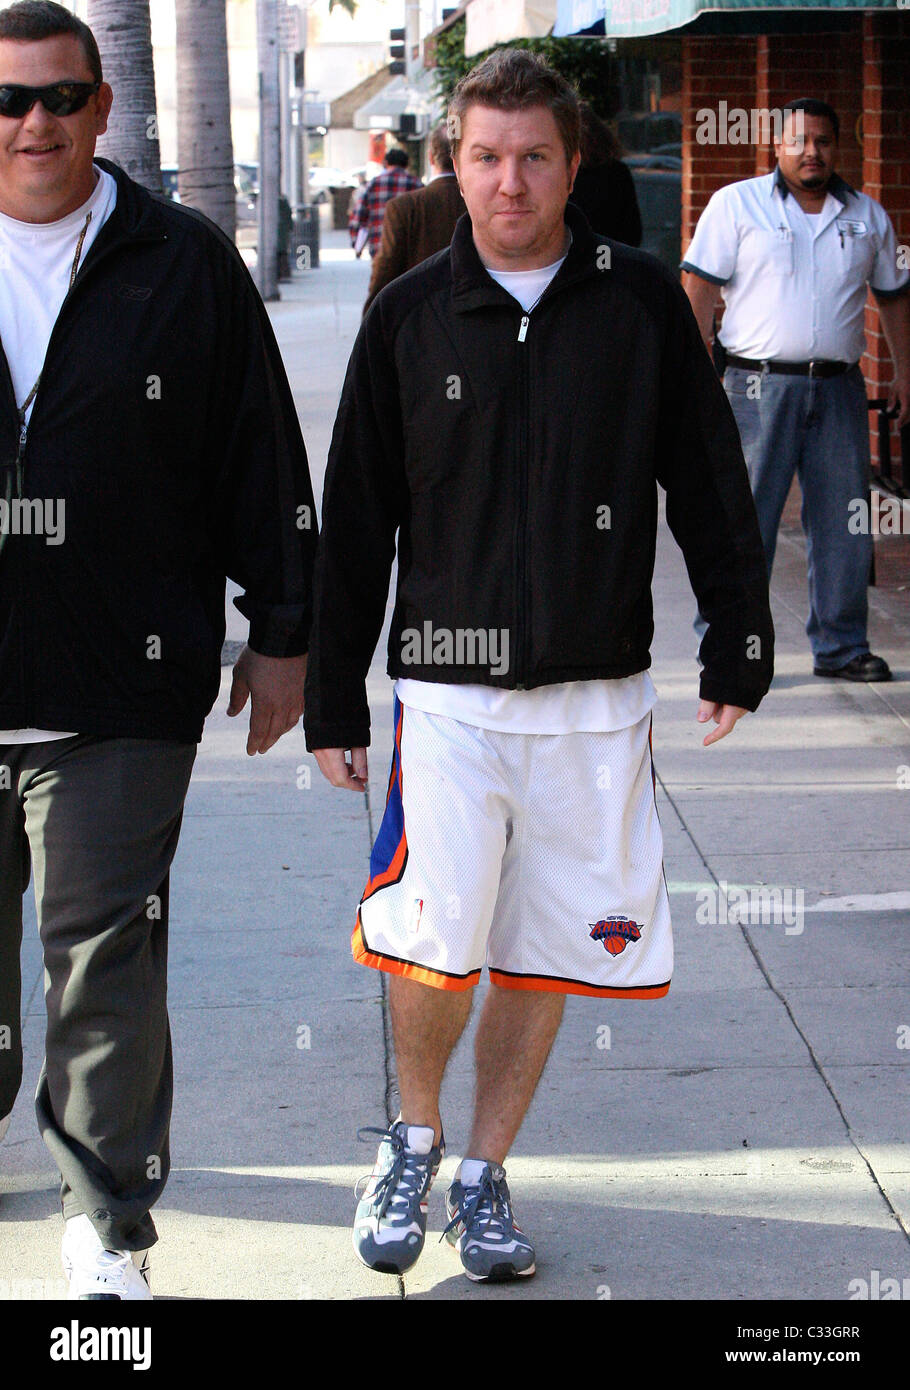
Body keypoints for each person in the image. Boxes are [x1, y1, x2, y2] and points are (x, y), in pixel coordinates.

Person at [304, 47, 773, 1284]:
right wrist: (332, 688)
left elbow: (710, 484)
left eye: (533, 158)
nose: (508, 182)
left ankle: (484, 1174)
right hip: (447, 697)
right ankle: (411, 1138)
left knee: (548, 945)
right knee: (427, 935)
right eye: (484, 157)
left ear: (573, 165)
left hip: (597, 695)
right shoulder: (407, 315)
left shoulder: (636, 305)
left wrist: (738, 634)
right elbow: (355, 516)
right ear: (453, 166)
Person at [0, 1, 316, 1298]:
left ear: (102, 106)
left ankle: (106, 1219)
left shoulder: (180, 261)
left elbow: (261, 457)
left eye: (57, 98)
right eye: (6, 102)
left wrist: (285, 634)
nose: (31, 124)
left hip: (119, 684)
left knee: (103, 961)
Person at [683, 98, 910, 682]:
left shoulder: (868, 215)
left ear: (840, 147)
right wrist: (690, 376)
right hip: (755, 388)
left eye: (823, 141)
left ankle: (841, 647)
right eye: (799, 140)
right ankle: (728, 648)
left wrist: (905, 373)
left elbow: (892, 297)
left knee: (844, 520)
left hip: (838, 390)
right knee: (744, 520)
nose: (812, 151)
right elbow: (698, 290)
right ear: (776, 147)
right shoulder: (737, 204)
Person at [363, 121, 466, 313]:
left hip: (418, 315)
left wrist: (370, 315)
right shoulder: (481, 204)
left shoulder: (404, 207)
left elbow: (386, 265)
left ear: (430, 157)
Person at [568, 100, 641, 247]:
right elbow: (633, 231)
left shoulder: (565, 175)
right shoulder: (618, 172)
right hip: (613, 258)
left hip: (575, 259)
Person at [349, 145, 421, 262]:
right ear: (406, 164)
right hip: (409, 250)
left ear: (386, 163)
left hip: (380, 248)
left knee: (383, 280)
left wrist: (356, 244)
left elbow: (358, 216)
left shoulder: (374, 184)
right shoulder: (416, 184)